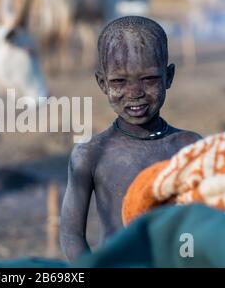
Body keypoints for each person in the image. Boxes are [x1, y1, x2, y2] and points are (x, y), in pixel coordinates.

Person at [60, 16, 202, 261]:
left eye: (149, 79)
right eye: (119, 81)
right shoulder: (91, 154)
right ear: (102, 83)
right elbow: (71, 234)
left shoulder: (190, 147)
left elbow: (208, 221)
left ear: (169, 77)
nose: (135, 93)